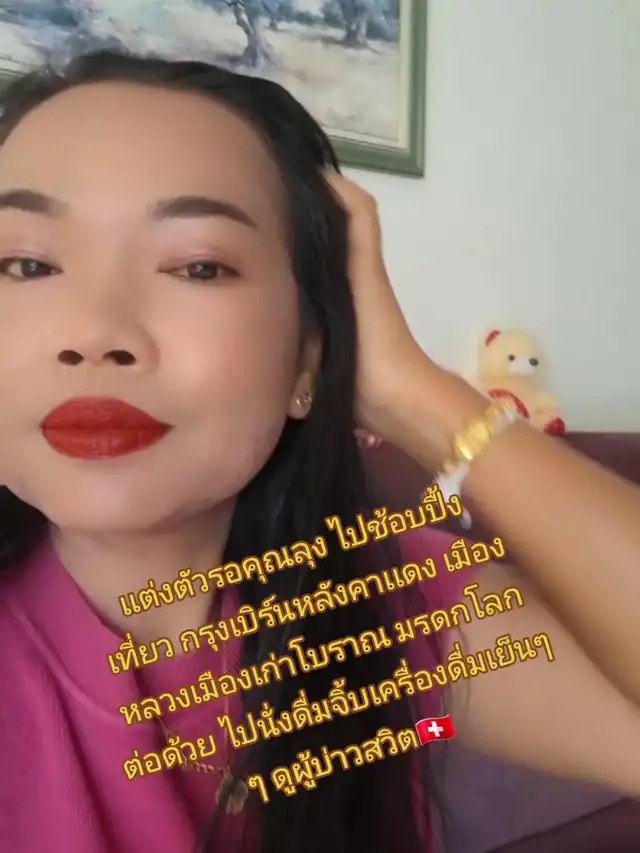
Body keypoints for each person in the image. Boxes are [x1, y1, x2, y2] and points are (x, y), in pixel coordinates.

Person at [0, 50, 637, 853]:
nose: (96, 333)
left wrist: (409, 390)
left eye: (198, 265)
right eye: (26, 264)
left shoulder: (378, 604)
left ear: (306, 360)